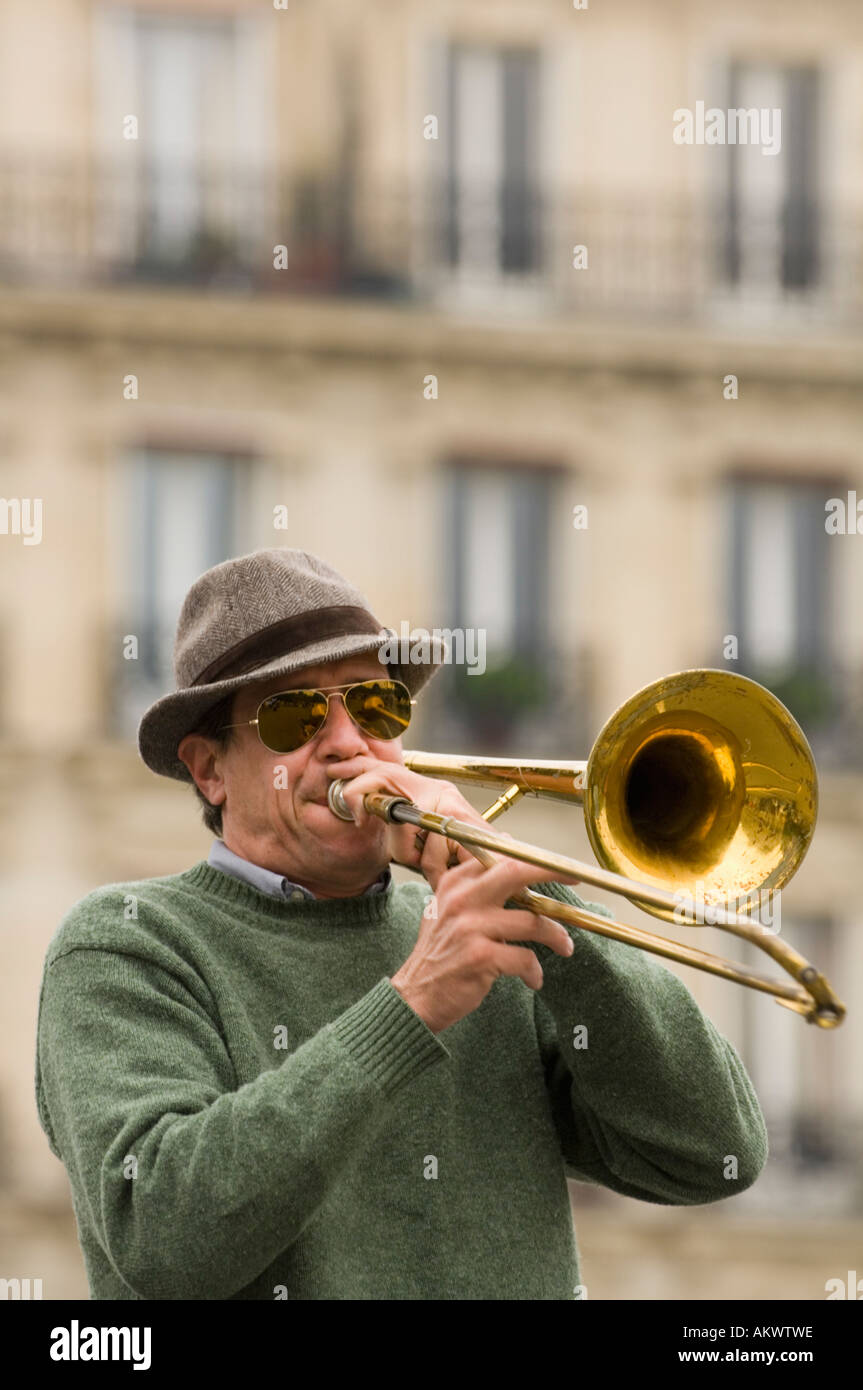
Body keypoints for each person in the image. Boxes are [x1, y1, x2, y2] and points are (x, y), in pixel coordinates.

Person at [35, 547, 768, 1300]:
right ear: (209, 769)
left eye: (376, 706)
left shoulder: (478, 927)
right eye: (296, 714)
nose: (350, 742)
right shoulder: (126, 943)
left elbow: (715, 1154)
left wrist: (534, 893)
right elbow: (161, 1240)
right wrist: (412, 1004)